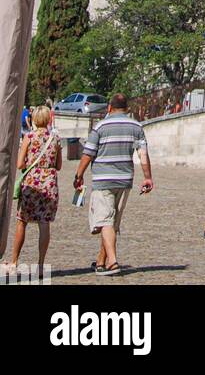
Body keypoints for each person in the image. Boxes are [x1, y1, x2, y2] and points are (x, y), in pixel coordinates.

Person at [74, 92, 153, 276]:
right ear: (127, 109)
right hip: (125, 180)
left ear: (109, 107)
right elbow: (143, 154)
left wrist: (78, 175)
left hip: (103, 180)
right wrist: (147, 177)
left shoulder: (100, 127)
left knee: (105, 221)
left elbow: (88, 154)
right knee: (112, 222)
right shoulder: (136, 126)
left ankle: (113, 262)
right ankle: (101, 261)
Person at [4, 105, 62, 278]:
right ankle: (41, 264)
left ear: (35, 119)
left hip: (32, 182)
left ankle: (14, 261)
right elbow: (58, 166)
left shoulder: (29, 137)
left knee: (22, 221)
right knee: (44, 224)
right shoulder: (55, 139)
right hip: (49, 183)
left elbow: (20, 164)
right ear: (49, 119)